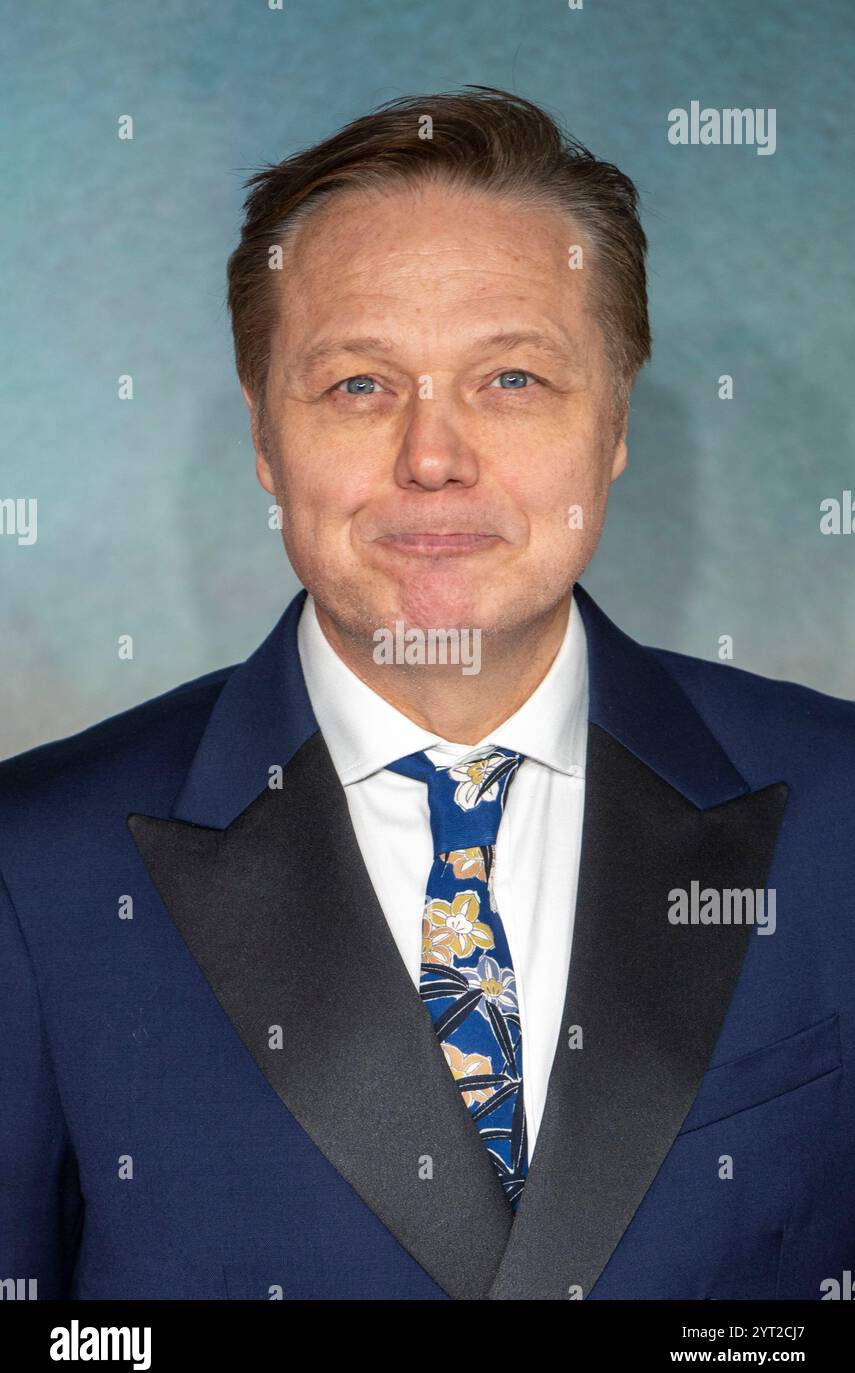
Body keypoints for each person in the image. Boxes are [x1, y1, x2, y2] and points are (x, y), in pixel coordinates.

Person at [1, 87, 852, 1302]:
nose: (432, 456)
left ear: (614, 421)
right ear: (264, 436)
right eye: (358, 385)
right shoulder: (33, 872)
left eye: (511, 378)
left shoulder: (841, 815)